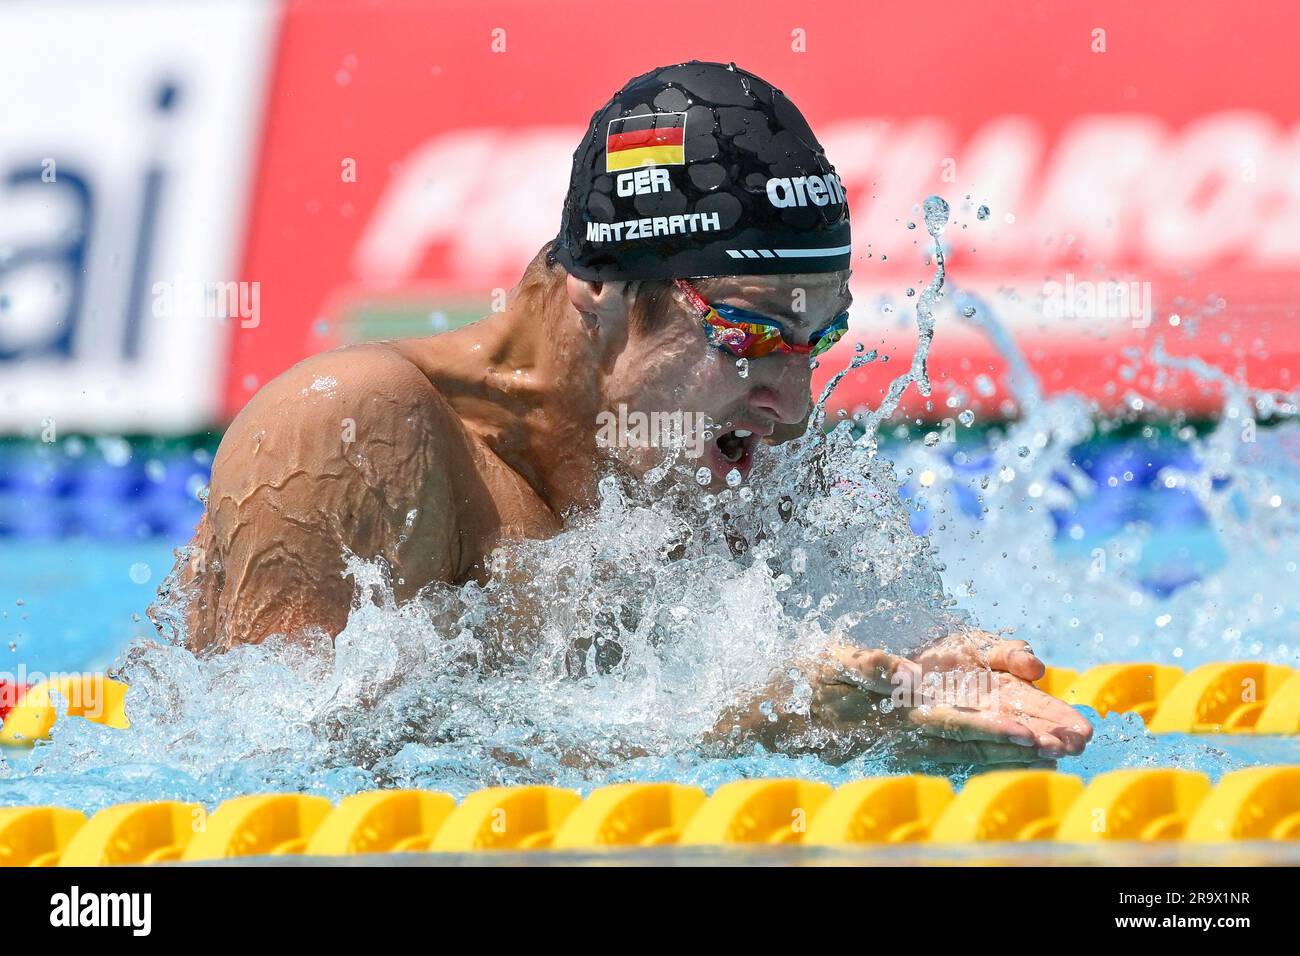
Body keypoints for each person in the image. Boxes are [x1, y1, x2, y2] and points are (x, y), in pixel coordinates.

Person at [161, 60, 1091, 766]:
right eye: (750, 332)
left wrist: (925, 678)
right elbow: (277, 793)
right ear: (597, 289)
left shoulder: (742, 444)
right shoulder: (355, 432)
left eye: (820, 337)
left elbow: (861, 665)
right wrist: (758, 721)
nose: (796, 404)